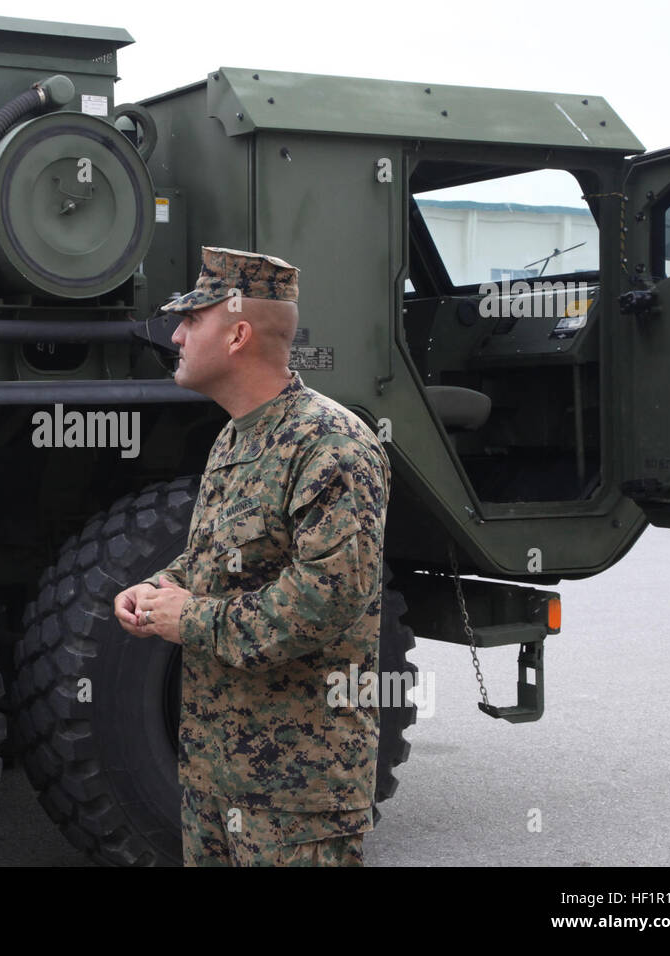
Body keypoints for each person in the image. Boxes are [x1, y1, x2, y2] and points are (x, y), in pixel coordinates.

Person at [113, 246, 390, 866]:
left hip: (297, 790)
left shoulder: (333, 445)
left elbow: (323, 603)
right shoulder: (236, 435)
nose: (177, 333)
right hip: (217, 775)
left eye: (192, 319)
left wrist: (187, 619)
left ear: (238, 334)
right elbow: (214, 560)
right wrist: (157, 589)